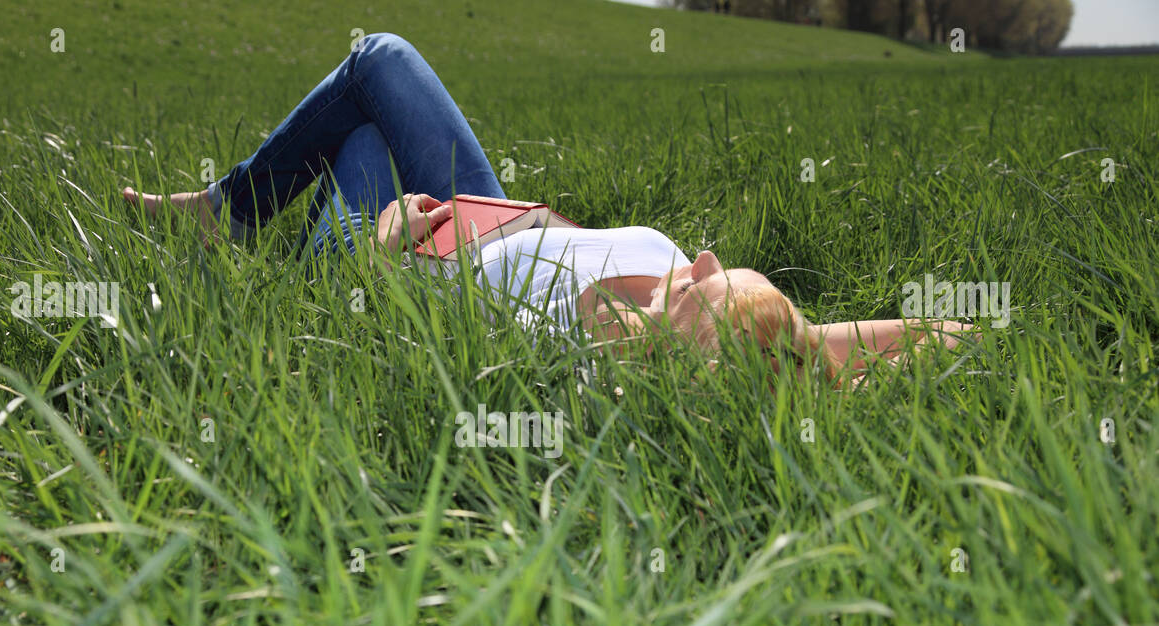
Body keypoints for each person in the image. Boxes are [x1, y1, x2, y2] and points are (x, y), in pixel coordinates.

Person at [123, 33, 970, 381]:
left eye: (694, 290)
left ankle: (231, 221)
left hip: (392, 257)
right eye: (712, 269)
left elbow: (398, 323)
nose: (701, 263)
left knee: (360, 145)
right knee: (380, 62)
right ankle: (231, 208)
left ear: (673, 357)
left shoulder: (581, 359)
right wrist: (916, 353)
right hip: (488, 208)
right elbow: (929, 339)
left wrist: (386, 245)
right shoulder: (744, 331)